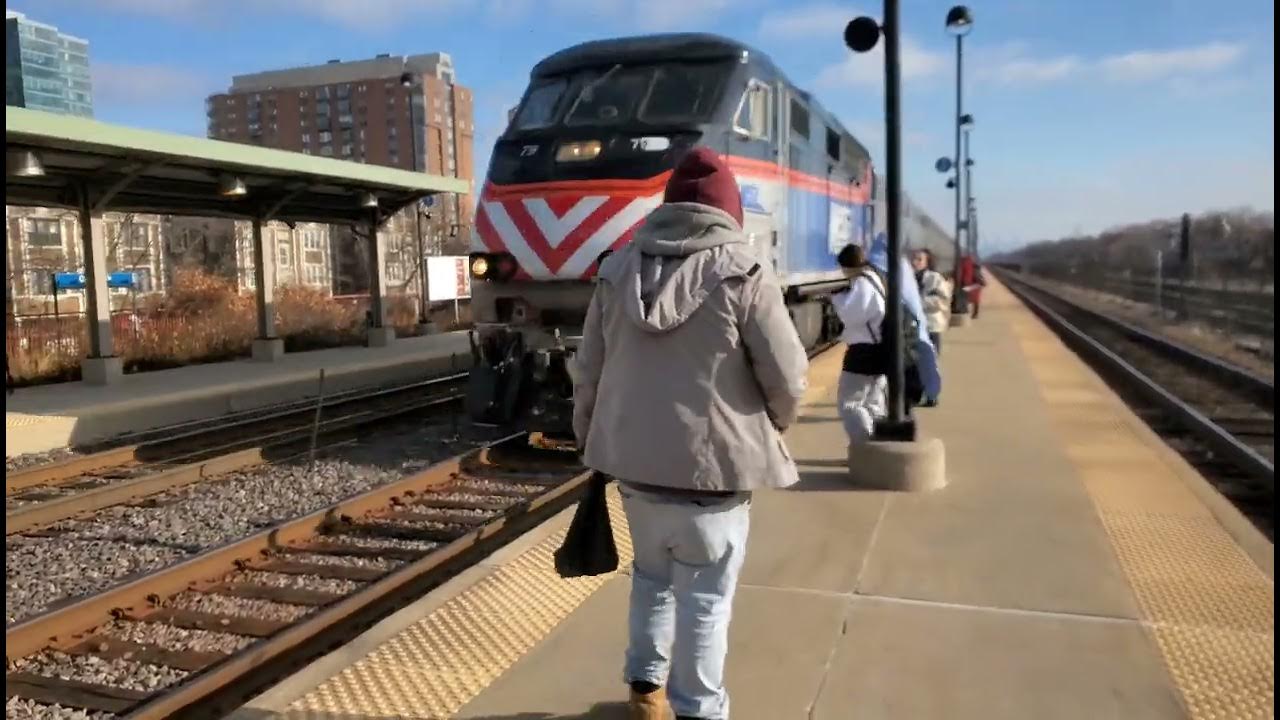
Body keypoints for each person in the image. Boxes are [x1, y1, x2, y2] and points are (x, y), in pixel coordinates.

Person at [571, 147, 809, 720]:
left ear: (668, 206)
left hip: (635, 472)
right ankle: (700, 710)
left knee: (651, 577)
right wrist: (770, 427)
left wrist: (592, 441)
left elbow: (589, 372)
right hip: (715, 477)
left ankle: (645, 692)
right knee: (704, 600)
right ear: (729, 211)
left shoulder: (615, 269)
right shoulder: (746, 269)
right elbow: (790, 377)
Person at [911, 250, 951, 355]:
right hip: (915, 327)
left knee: (931, 358)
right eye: (914, 258)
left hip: (932, 325)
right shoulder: (909, 278)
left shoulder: (935, 278)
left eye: (919, 259)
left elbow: (944, 299)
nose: (915, 262)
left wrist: (920, 302)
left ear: (927, 262)